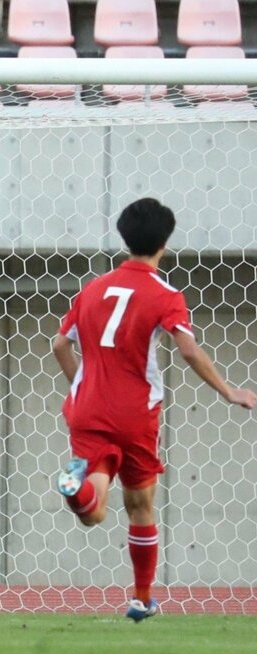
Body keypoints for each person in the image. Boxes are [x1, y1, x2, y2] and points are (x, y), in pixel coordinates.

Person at [51, 197, 256, 622]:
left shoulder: (93, 288)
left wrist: (81, 387)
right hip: (135, 413)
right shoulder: (165, 295)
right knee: (140, 505)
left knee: (95, 511)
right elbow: (188, 350)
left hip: (86, 408)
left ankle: (77, 490)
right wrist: (227, 390)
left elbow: (59, 344)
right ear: (165, 242)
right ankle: (142, 599)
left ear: (124, 238)